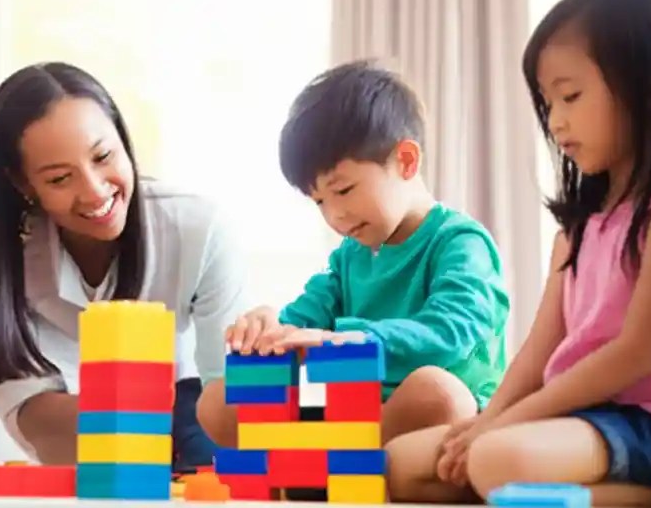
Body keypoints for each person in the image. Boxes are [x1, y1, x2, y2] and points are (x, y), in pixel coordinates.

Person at [388, 0, 651, 508]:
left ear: (647, 85)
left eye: (571, 96)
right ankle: (526, 490)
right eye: (548, 104)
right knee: (406, 464)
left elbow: (636, 354)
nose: (557, 121)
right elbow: (535, 356)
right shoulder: (576, 231)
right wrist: (488, 418)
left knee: (495, 460)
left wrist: (509, 424)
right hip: (582, 417)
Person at [200, 61, 510, 446]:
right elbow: (305, 321)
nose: (335, 215)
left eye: (344, 190)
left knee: (437, 392)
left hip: (435, 420)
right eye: (319, 202)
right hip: (349, 414)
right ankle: (327, 464)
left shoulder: (460, 242)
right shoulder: (349, 257)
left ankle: (327, 464)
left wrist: (348, 339)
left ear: (406, 161)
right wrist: (271, 331)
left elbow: (451, 331)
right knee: (218, 398)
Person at [0, 61, 252, 470]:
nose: (94, 191)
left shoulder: (197, 228)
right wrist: (146, 416)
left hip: (195, 453)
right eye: (60, 179)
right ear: (23, 184)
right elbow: (32, 416)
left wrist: (153, 418)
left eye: (103, 156)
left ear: (122, 136)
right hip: (79, 467)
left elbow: (226, 400)